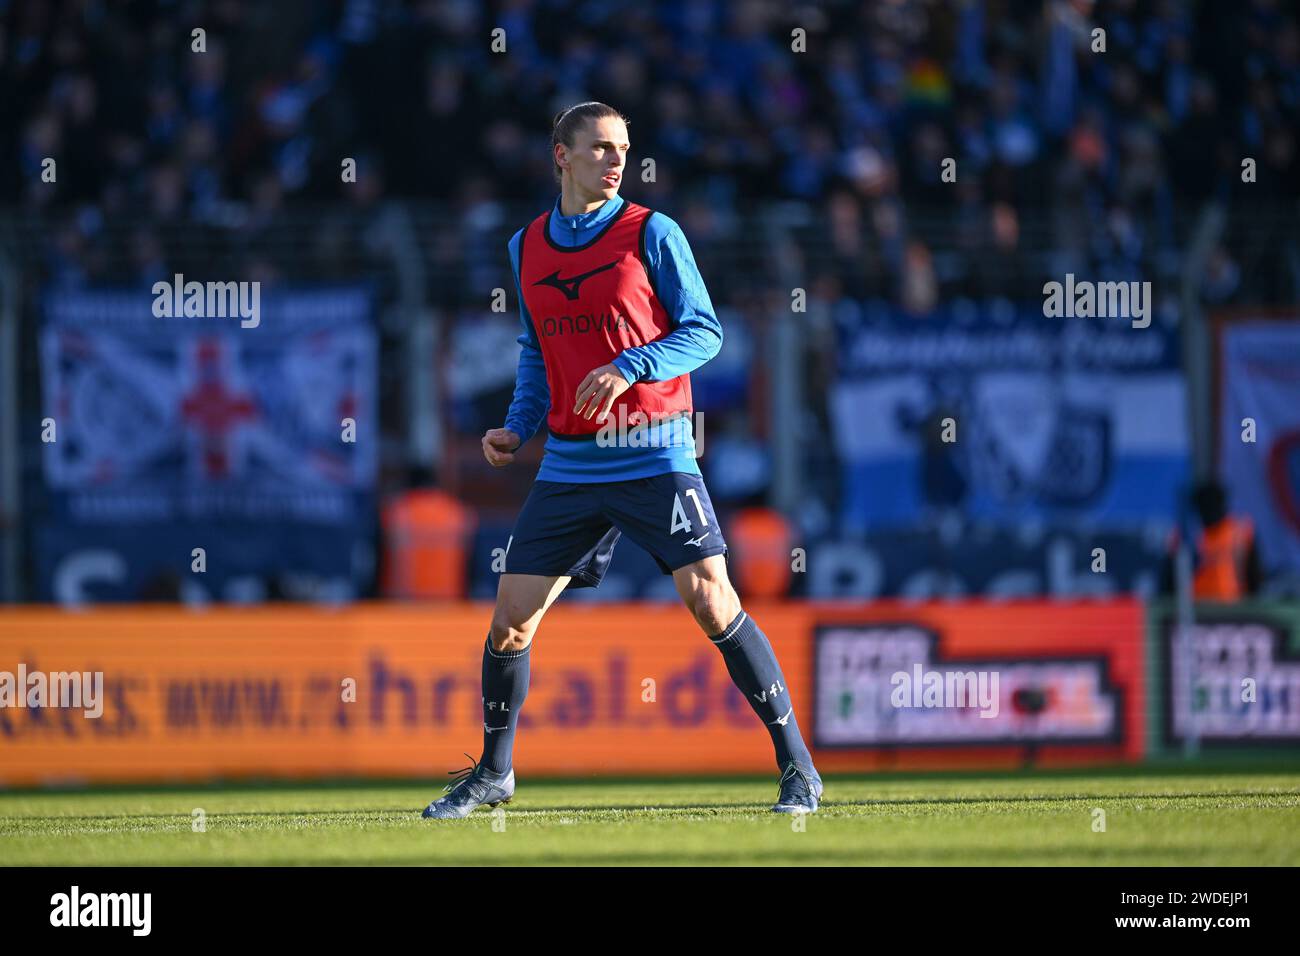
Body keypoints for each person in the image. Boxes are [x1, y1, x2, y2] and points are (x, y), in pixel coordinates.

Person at [421, 102, 822, 818]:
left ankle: (799, 770)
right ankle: (493, 773)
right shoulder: (527, 247)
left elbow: (706, 332)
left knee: (710, 597)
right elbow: (537, 350)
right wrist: (518, 426)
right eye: (602, 148)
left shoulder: (652, 233)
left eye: (624, 150)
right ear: (560, 156)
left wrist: (630, 365)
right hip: (571, 462)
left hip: (655, 448)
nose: (617, 162)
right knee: (510, 619)